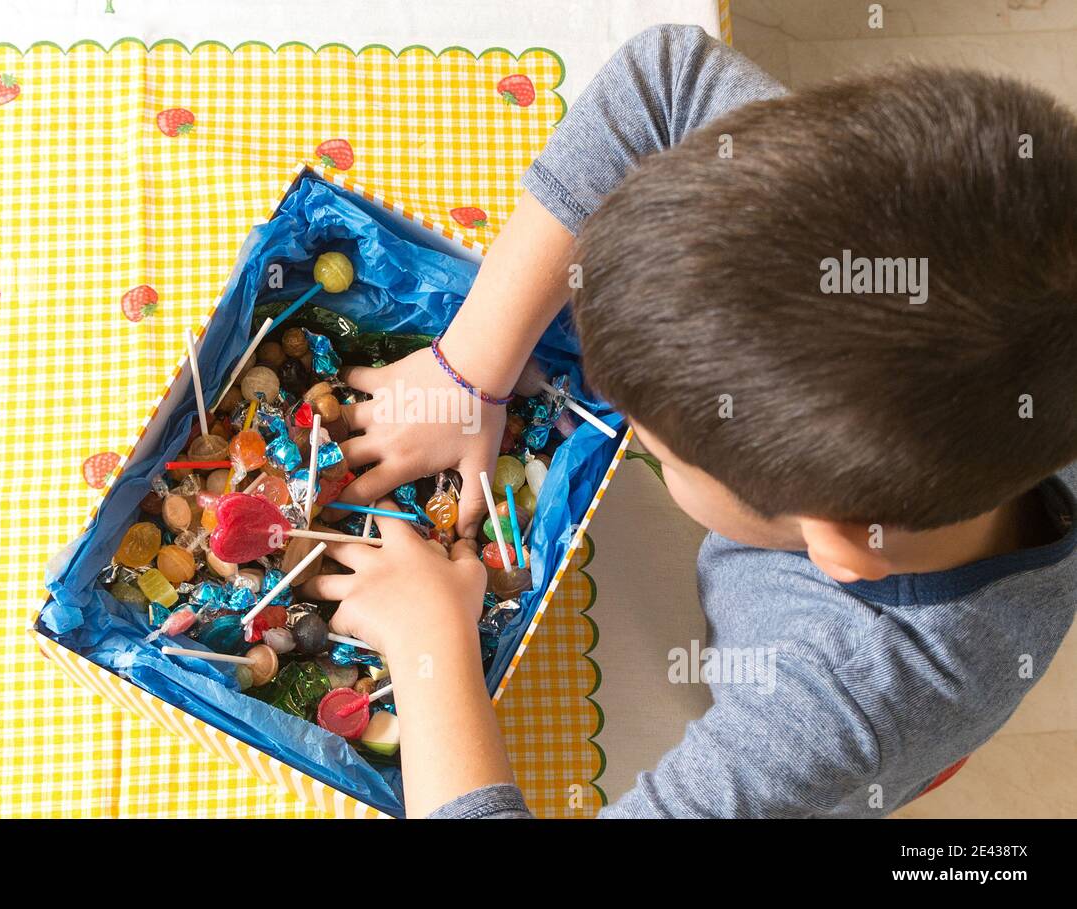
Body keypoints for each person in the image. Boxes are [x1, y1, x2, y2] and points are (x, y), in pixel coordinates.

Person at [299, 25, 1077, 818]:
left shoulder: (837, 699)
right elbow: (663, 77)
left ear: (839, 538)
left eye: (663, 450)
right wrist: (463, 371)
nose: (642, 442)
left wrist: (433, 646)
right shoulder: (913, 228)